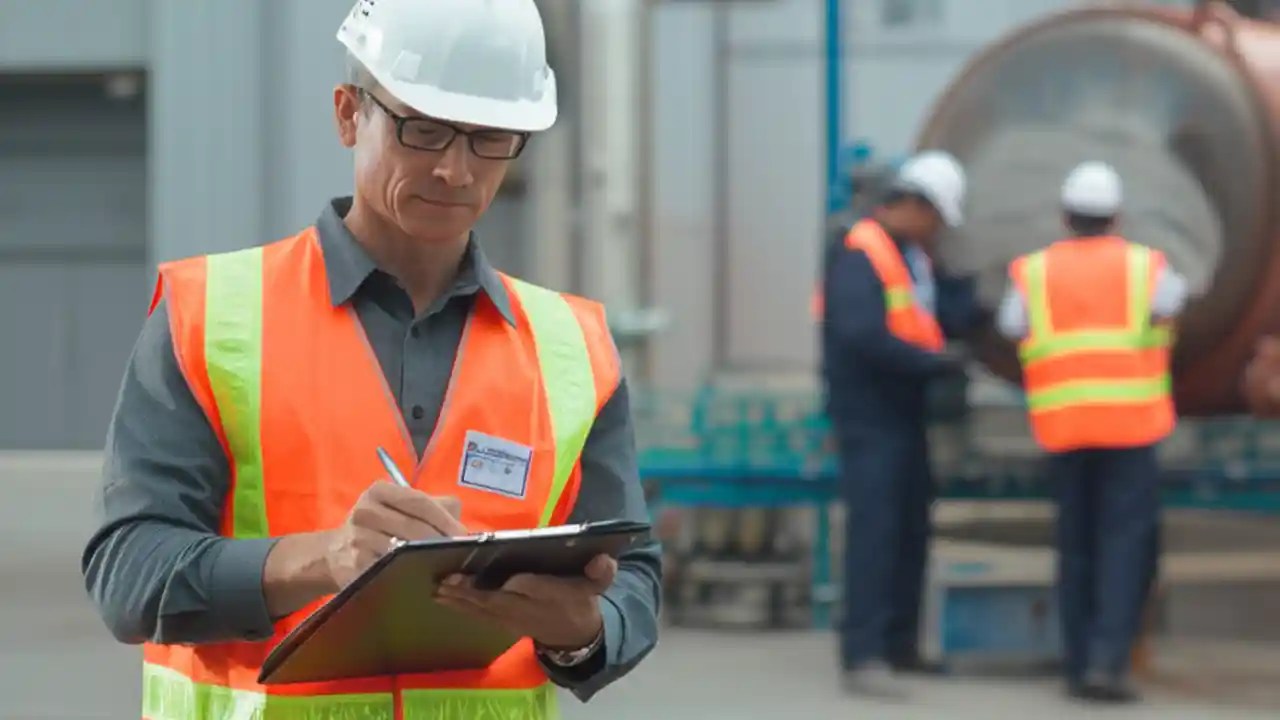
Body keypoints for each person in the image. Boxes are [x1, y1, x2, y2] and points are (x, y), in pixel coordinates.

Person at [79, 1, 660, 717]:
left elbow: (633, 575)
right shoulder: (211, 317)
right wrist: (320, 560)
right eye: (423, 129)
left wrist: (582, 632)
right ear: (349, 113)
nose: (454, 169)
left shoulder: (571, 345)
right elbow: (127, 574)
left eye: (489, 138)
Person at [996, 161, 1187, 703]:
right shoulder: (1145, 267)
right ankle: (1108, 662)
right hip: (1130, 427)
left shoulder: (1034, 272)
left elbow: (1013, 326)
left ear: (1065, 216)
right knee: (1123, 548)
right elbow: (1173, 305)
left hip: (1065, 427)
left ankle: (1078, 665)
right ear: (1117, 217)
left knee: (1075, 546)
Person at [820, 150, 977, 698]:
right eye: (934, 216)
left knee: (911, 531)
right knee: (876, 534)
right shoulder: (859, 252)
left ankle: (900, 644)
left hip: (905, 413)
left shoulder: (911, 256)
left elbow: (933, 315)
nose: (937, 230)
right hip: (870, 417)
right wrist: (934, 363)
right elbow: (863, 335)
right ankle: (863, 654)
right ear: (911, 204)